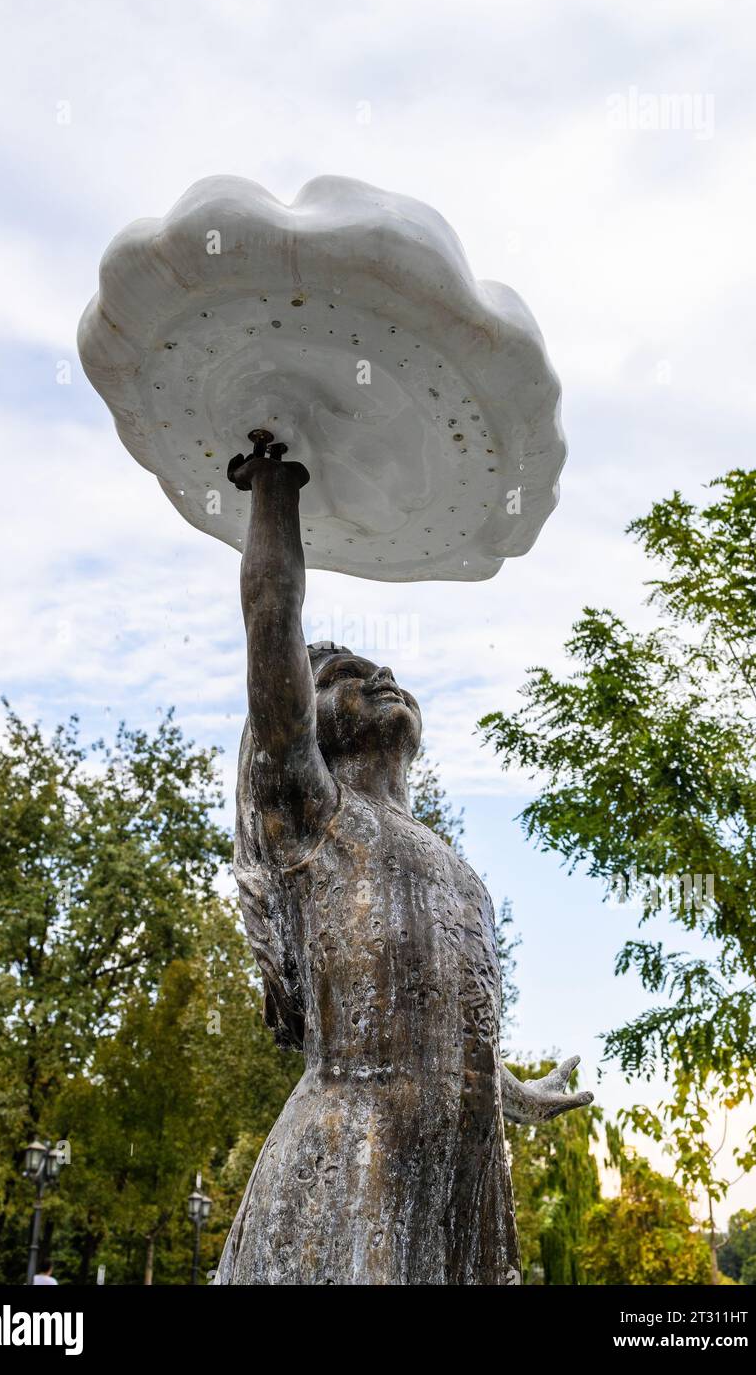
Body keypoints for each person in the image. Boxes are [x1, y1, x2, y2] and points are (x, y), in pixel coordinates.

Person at [215, 433, 592, 1286]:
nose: (379, 672)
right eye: (345, 673)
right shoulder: (311, 814)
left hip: (462, 1167)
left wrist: (520, 1093)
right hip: (358, 1151)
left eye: (379, 667)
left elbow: (458, 1028)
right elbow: (271, 615)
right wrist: (275, 486)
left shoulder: (456, 871)